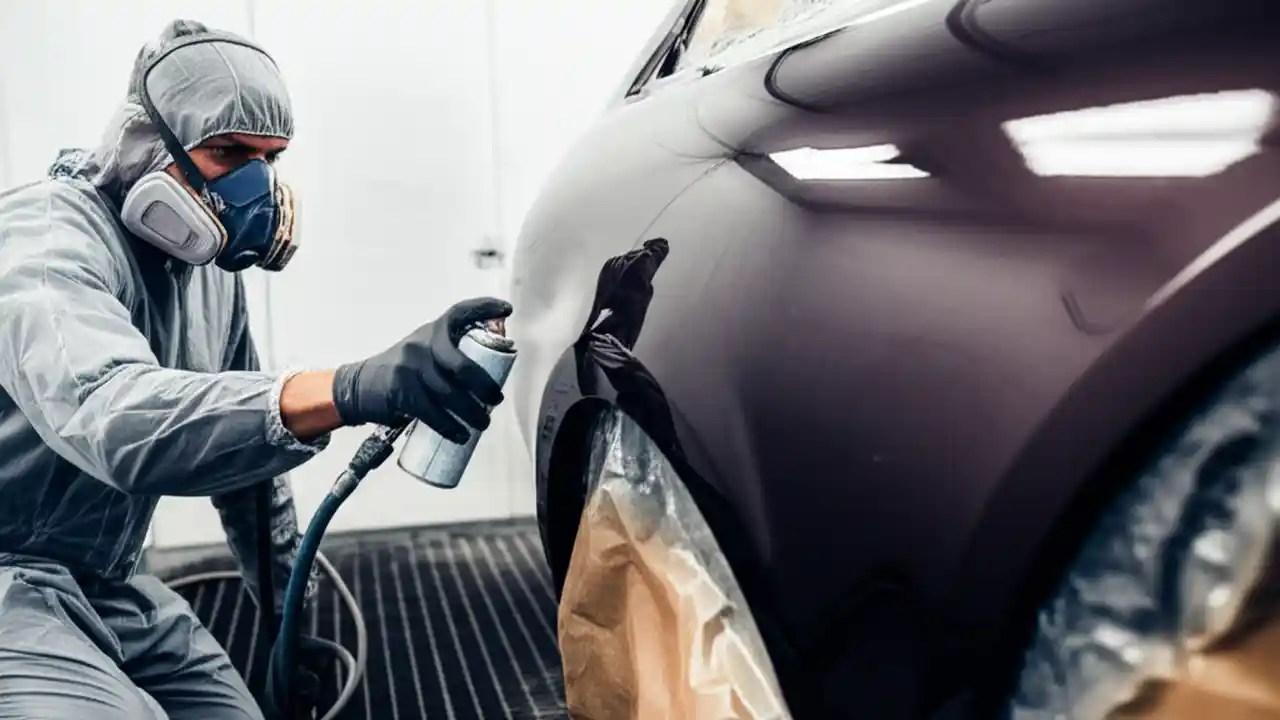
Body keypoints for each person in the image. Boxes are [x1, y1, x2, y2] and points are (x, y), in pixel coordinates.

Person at [0, 19, 511, 720]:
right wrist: (349, 388)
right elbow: (112, 415)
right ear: (148, 145)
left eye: (269, 158)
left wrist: (285, 617)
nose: (255, 188)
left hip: (113, 586)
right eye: (229, 153)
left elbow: (252, 477)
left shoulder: (208, 275)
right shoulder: (45, 237)